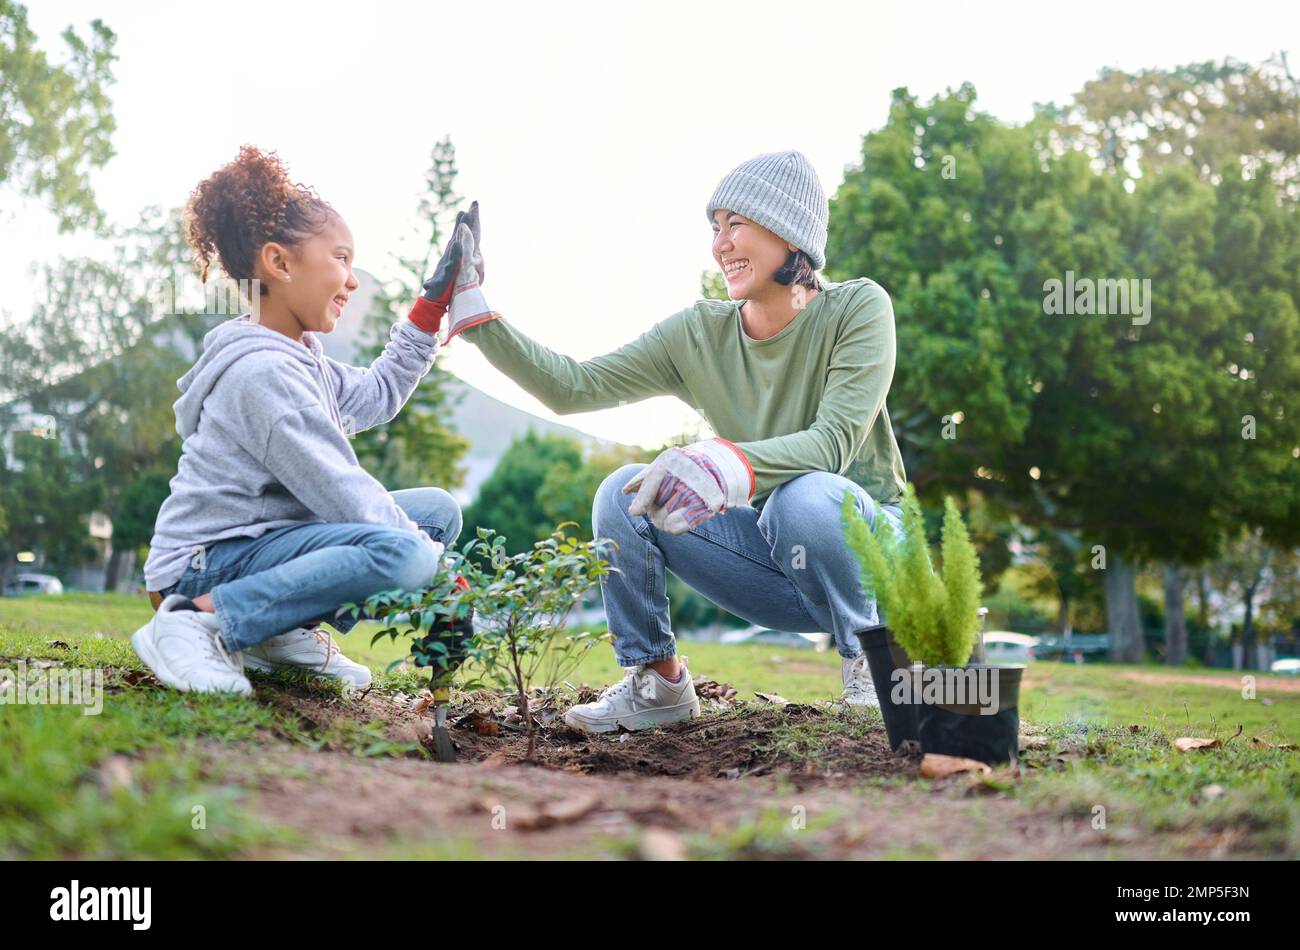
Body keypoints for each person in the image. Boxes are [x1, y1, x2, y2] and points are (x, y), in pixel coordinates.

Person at [438, 150, 908, 732]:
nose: (721, 244)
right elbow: (574, 386)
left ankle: (876, 664)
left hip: (871, 560)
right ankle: (658, 683)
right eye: (715, 229)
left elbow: (832, 443)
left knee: (804, 498)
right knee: (624, 494)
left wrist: (719, 464)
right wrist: (477, 315)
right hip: (779, 561)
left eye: (736, 224)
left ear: (789, 233)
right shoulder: (698, 334)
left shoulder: (858, 308)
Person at [134, 146, 471, 695]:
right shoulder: (263, 375)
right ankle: (193, 623)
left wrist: (429, 310)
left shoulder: (300, 356)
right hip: (201, 569)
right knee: (409, 549)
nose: (353, 279)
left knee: (434, 514)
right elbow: (343, 492)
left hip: (258, 546)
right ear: (280, 263)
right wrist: (440, 574)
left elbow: (378, 395)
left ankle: (274, 633)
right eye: (341, 258)